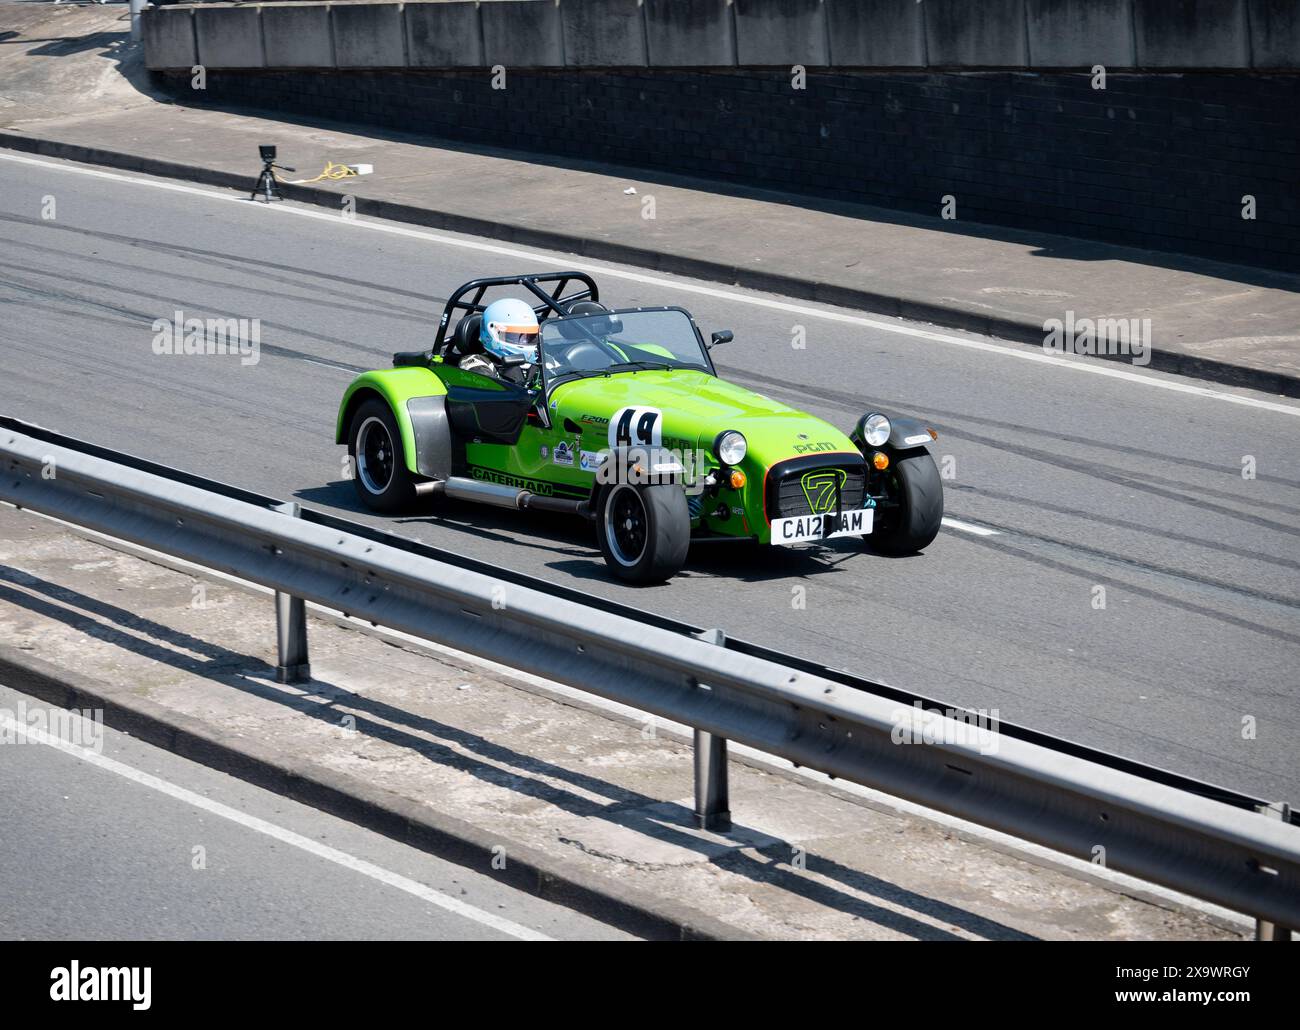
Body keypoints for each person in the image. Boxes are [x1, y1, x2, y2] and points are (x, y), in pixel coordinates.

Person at [459, 298, 540, 386]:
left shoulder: (542, 359)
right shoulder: (475, 363)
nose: (525, 341)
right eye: (513, 336)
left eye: (531, 337)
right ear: (492, 333)